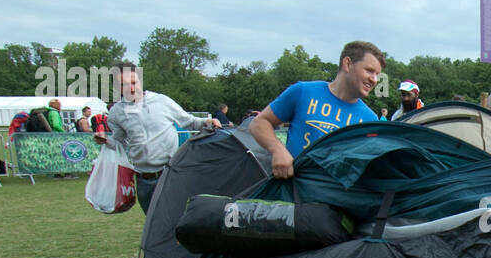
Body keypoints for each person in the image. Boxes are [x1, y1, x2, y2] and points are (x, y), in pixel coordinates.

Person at [249, 41, 384, 180]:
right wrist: (277, 150)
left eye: (377, 74)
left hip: (336, 198)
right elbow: (259, 123)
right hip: (294, 193)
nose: (374, 79)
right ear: (347, 64)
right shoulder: (303, 92)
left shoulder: (370, 120)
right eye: (369, 70)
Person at [95, 63, 219, 212]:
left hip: (170, 175)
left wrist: (208, 122)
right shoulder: (116, 113)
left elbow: (190, 122)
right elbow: (119, 142)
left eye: (134, 82)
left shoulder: (162, 101)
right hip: (143, 180)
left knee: (176, 222)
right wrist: (106, 141)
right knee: (154, 227)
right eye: (124, 85)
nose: (132, 88)